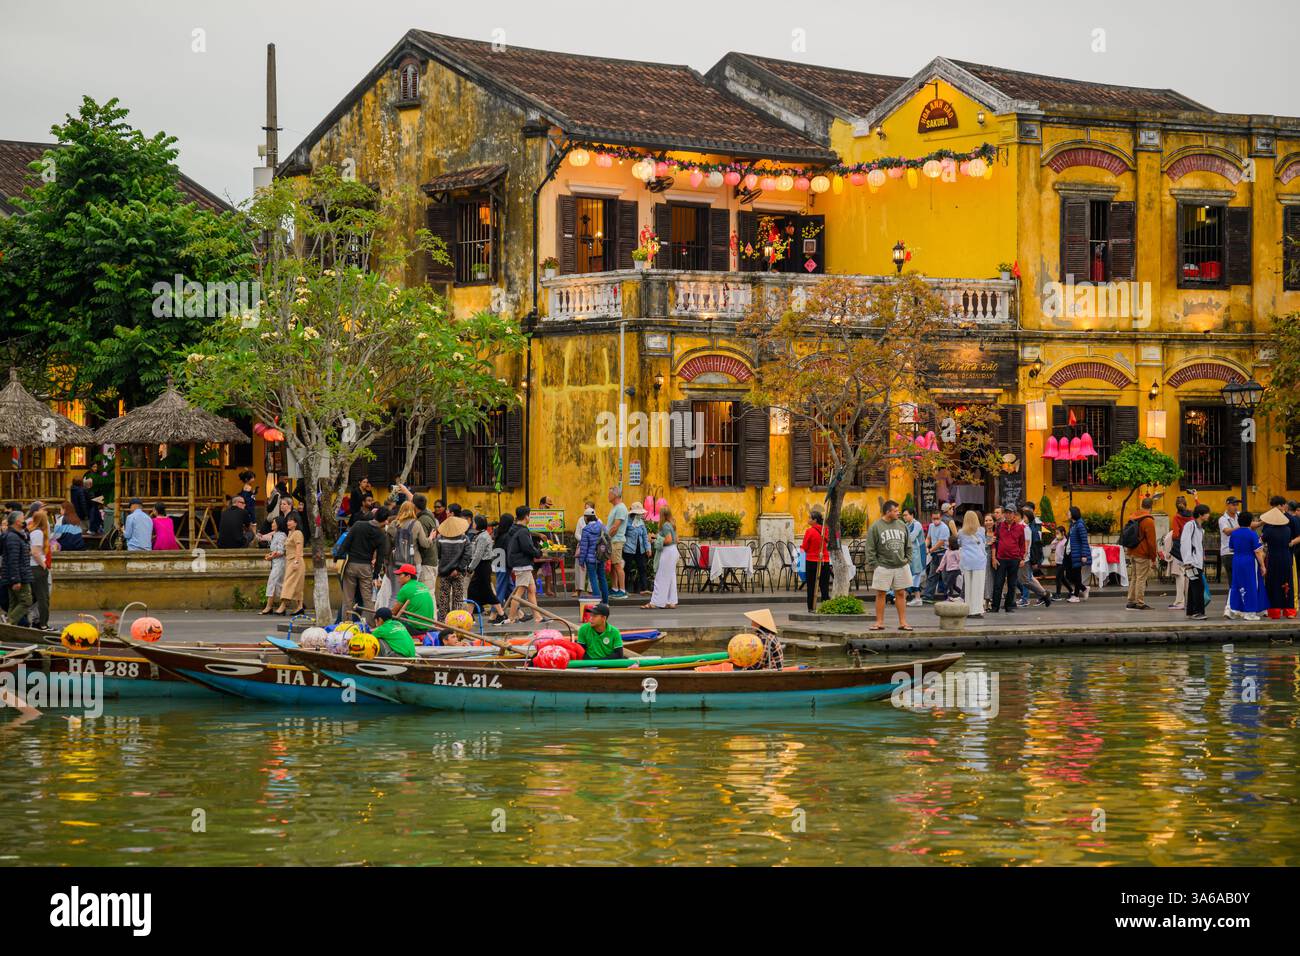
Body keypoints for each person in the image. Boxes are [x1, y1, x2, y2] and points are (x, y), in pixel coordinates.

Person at [865, 500, 913, 631]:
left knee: (901, 593)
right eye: (896, 511)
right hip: (883, 565)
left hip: (901, 565)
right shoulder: (876, 526)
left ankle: (903, 622)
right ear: (888, 512)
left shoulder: (902, 525)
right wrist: (875, 564)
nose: (899, 513)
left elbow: (908, 544)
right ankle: (879, 622)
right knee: (881, 593)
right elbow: (870, 547)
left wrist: (908, 559)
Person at [341, 506, 390, 626]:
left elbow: (345, 543)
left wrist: (338, 556)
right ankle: (372, 624)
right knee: (367, 598)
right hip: (366, 567)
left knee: (348, 597)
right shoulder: (381, 534)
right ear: (385, 520)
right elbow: (380, 557)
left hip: (351, 564)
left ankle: (346, 624)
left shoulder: (358, 525)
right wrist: (375, 574)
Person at [1259, 497, 1299, 619]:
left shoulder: (1271, 529)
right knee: (1287, 583)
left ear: (1283, 506)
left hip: (1274, 557)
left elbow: (1260, 541)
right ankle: (1289, 611)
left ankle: (1274, 611)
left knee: (1273, 583)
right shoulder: (1287, 529)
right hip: (1285, 556)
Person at [502, 506, 540, 625]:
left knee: (532, 591)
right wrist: (538, 552)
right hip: (523, 564)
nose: (530, 518)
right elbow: (527, 547)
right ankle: (512, 617)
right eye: (529, 515)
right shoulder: (523, 530)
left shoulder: (513, 529)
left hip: (521, 564)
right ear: (526, 516)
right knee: (518, 594)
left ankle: (537, 616)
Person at [1226, 512, 1267, 621]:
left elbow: (1231, 548)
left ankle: (1233, 610)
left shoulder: (1234, 533)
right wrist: (1262, 566)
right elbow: (1258, 552)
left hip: (1236, 560)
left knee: (1236, 584)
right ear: (1250, 522)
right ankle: (1250, 612)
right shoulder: (1252, 534)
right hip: (1249, 561)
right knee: (1251, 585)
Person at [467, 514, 504, 624]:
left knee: (485, 591)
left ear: (477, 524)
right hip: (481, 566)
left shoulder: (483, 536)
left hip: (482, 566)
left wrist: (470, 567)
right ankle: (469, 616)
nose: (472, 524)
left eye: (474, 522)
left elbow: (478, 555)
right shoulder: (480, 535)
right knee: (473, 590)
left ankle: (501, 614)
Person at [435, 513, 471, 620]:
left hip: (443, 572)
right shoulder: (464, 538)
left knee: (443, 598)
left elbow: (438, 554)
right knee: (458, 598)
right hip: (458, 573)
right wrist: (459, 568)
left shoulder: (440, 538)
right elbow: (468, 554)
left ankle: (443, 621)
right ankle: (456, 620)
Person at [1124, 497, 1158, 610]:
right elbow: (1152, 542)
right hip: (1142, 553)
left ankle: (1131, 600)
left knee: (1134, 577)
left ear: (1141, 505)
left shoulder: (1133, 516)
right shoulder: (1148, 520)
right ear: (1151, 507)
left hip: (1132, 551)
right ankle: (1140, 602)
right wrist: (1154, 558)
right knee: (1141, 578)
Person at [1, 511, 34, 627]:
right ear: (17, 521)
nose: (25, 521)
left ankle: (7, 631)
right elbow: (13, 560)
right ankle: (8, 622)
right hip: (19, 576)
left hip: (17, 575)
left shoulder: (16, 535)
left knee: (14, 603)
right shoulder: (13, 537)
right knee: (26, 601)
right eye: (23, 518)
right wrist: (16, 579)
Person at [990, 508, 1025, 613]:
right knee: (998, 583)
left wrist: (1022, 557)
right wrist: (993, 557)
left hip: (1014, 559)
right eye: (1006, 513)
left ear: (1014, 514)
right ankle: (995, 607)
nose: (1008, 515)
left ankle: (1008, 606)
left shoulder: (1020, 528)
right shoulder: (999, 527)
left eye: (1010, 513)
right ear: (1004, 514)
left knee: (1012, 584)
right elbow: (994, 542)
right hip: (1001, 559)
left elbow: (1022, 544)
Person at [1017, 506, 1052, 607]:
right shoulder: (1026, 526)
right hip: (1025, 557)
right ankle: (1043, 594)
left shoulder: (1028, 528)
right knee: (1029, 578)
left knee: (1025, 580)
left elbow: (1033, 545)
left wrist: (1033, 560)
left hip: (1026, 557)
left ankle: (1041, 594)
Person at [644, 505, 679, 609]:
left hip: (668, 552)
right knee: (671, 577)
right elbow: (676, 539)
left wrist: (656, 540)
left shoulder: (665, 525)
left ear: (662, 514)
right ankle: (671, 601)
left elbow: (668, 539)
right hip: (673, 551)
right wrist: (657, 537)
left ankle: (655, 602)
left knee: (660, 577)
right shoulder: (672, 524)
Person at [1181, 503, 1211, 620]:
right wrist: (1187, 561)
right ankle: (1198, 612)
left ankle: (1191, 611)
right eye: (1206, 513)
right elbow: (1185, 542)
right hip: (1192, 562)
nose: (1208, 515)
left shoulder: (1201, 529)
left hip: (1197, 562)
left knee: (1194, 587)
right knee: (1198, 587)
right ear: (1200, 514)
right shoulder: (1190, 525)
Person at [391, 563, 435, 642]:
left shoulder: (405, 588)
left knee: (391, 621)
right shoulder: (422, 585)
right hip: (429, 625)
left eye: (400, 575)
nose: (398, 578)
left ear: (408, 576)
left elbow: (394, 612)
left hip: (416, 627)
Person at [956, 510, 986, 618]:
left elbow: (959, 543)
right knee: (978, 586)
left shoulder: (960, 532)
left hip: (967, 561)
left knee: (968, 586)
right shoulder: (981, 530)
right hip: (979, 561)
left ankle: (968, 609)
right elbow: (983, 544)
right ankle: (977, 610)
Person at [800, 511, 832, 612]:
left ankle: (811, 607)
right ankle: (826, 606)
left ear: (815, 520)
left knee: (811, 585)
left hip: (812, 561)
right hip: (825, 560)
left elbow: (804, 547)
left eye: (810, 518)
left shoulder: (809, 531)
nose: (808, 519)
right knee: (824, 585)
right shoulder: (826, 530)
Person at [26, 507, 52, 630]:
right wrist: (43, 565)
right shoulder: (38, 533)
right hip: (37, 567)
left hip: (34, 567)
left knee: (35, 597)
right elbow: (35, 552)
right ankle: (43, 624)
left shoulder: (33, 532)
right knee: (43, 597)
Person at [577, 511, 609, 603]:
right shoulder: (602, 527)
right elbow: (607, 540)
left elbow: (583, 548)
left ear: (586, 518)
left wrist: (581, 562)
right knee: (602, 578)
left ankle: (597, 602)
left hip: (590, 559)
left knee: (593, 579)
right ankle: (606, 603)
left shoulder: (586, 529)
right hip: (601, 556)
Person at [277, 514, 306, 615]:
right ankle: (299, 606)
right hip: (289, 561)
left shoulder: (298, 533)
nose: (288, 522)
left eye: (291, 521)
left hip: (295, 560)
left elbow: (299, 548)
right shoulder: (290, 533)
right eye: (288, 520)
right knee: (297, 585)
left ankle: (283, 605)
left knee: (288, 584)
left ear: (296, 523)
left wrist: (296, 562)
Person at [258, 517, 287, 615]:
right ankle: (281, 605)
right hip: (275, 562)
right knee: (278, 584)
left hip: (280, 562)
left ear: (278, 524)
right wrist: (270, 555)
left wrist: (271, 556)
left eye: (274, 523)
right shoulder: (276, 535)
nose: (272, 524)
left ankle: (269, 606)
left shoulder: (281, 536)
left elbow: (281, 551)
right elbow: (275, 550)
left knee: (272, 582)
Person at [623, 502, 651, 595]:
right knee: (627, 568)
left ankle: (644, 588)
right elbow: (623, 534)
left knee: (642, 568)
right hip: (629, 549)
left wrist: (648, 548)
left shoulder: (641, 522)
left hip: (640, 549)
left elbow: (645, 536)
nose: (640, 515)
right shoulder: (627, 522)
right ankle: (624, 589)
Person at [921, 511, 950, 602]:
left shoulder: (944, 528)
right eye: (934, 518)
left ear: (941, 518)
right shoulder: (931, 526)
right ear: (931, 518)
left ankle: (948, 596)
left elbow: (941, 542)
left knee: (945, 576)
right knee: (932, 575)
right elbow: (928, 538)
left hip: (943, 552)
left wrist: (930, 550)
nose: (935, 520)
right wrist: (925, 546)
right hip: (934, 553)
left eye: (937, 518)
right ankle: (928, 595)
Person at [605, 487, 629, 598]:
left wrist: (606, 537)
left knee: (617, 565)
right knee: (613, 566)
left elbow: (615, 527)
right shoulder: (615, 507)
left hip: (616, 540)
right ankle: (615, 588)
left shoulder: (621, 508)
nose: (608, 495)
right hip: (612, 541)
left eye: (610, 493)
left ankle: (622, 590)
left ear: (615, 495)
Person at [901, 507, 927, 607]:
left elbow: (911, 538)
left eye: (906, 515)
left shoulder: (917, 525)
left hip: (918, 553)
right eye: (903, 515)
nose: (904, 517)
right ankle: (917, 598)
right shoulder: (907, 525)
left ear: (912, 515)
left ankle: (905, 596)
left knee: (914, 575)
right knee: (914, 576)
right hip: (912, 553)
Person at [1065, 506, 1091, 602]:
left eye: (1069, 512)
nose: (1067, 514)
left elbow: (1084, 541)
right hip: (1070, 553)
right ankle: (1084, 588)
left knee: (1076, 574)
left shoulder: (1080, 525)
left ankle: (1076, 596)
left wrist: (1084, 555)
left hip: (1078, 553)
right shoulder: (1073, 524)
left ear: (1073, 513)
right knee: (1069, 575)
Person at [1218, 496, 1241, 603]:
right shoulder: (1223, 519)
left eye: (1237, 505)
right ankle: (1231, 605)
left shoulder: (1240, 516)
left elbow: (1250, 525)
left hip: (1240, 552)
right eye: (1233, 505)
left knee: (1240, 581)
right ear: (1227, 505)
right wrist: (1242, 525)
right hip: (1228, 553)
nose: (1236, 507)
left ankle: (1235, 604)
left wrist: (1261, 523)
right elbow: (1227, 531)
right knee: (1233, 581)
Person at [574, 503, 596, 595]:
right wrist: (583, 541)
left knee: (592, 568)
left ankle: (591, 590)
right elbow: (577, 533)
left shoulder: (598, 521)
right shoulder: (580, 519)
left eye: (588, 508)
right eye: (585, 508)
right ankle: (579, 589)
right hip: (582, 545)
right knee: (579, 567)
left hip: (593, 548)